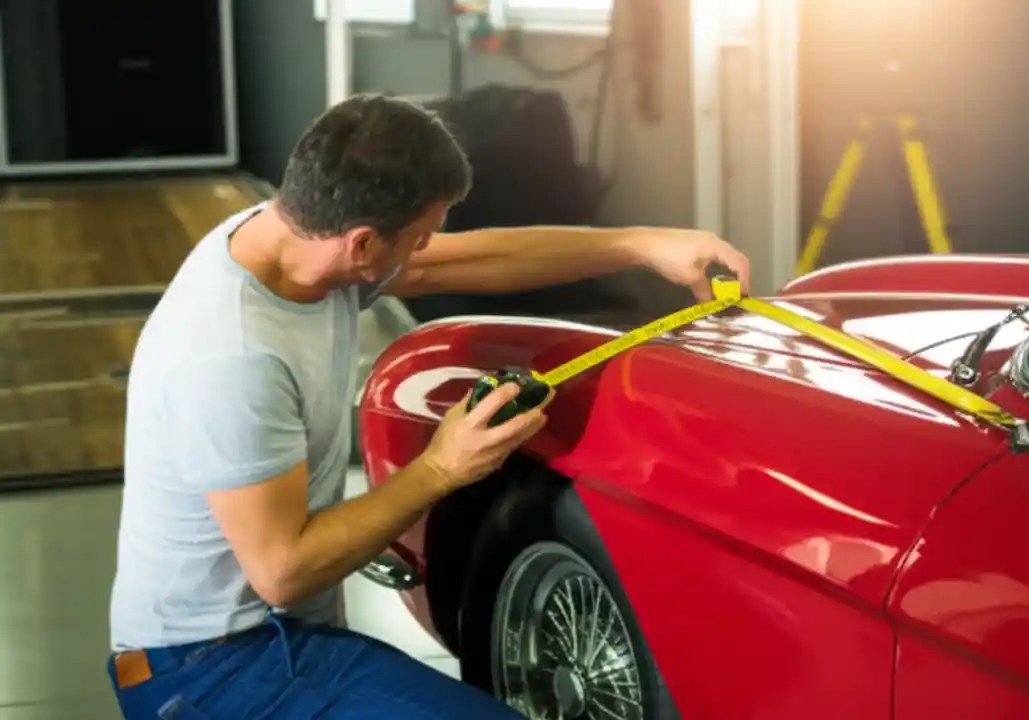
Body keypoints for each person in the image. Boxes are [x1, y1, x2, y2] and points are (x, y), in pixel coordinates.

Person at [105, 92, 750, 718]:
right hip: (210, 669)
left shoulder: (288, 235)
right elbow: (285, 570)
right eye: (417, 237)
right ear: (361, 245)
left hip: (271, 637)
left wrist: (641, 245)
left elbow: (452, 263)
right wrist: (442, 468)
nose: (424, 251)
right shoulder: (233, 356)